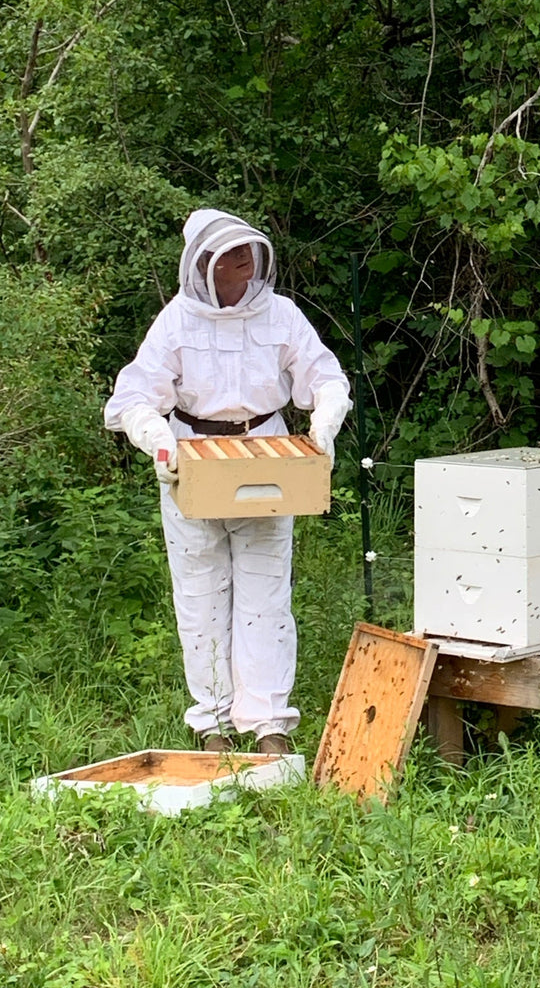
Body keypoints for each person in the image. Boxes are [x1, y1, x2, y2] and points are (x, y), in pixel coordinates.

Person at [104, 209, 351, 755]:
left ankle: (269, 725)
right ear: (204, 267)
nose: (245, 261)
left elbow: (326, 377)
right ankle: (211, 722)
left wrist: (325, 425)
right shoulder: (176, 321)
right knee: (200, 593)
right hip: (193, 455)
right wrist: (158, 441)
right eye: (231, 254)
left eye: (249, 252)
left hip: (268, 455)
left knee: (266, 592)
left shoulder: (282, 315)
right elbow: (133, 398)